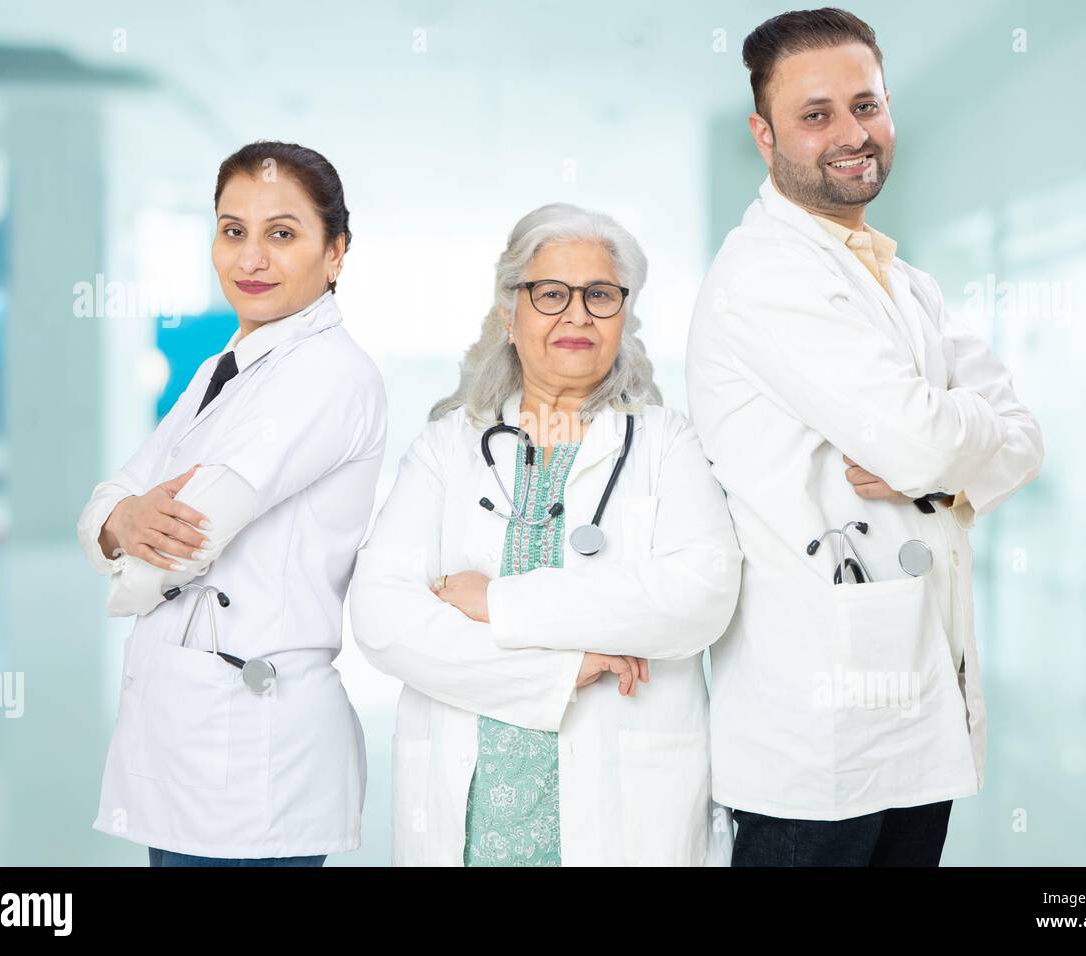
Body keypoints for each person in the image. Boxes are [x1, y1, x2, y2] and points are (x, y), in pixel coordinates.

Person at [686, 8, 1044, 866]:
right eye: (816, 115)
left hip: (922, 719)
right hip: (814, 738)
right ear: (764, 135)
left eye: (867, 105)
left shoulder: (903, 279)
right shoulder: (766, 272)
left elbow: (1024, 438)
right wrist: (943, 450)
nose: (852, 134)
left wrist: (938, 459)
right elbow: (922, 443)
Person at [350, 202, 741, 866]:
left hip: (627, 809)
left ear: (624, 315)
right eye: (551, 293)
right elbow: (382, 614)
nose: (578, 315)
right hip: (474, 815)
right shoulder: (448, 447)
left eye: (600, 295)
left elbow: (700, 596)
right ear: (511, 314)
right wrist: (562, 669)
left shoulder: (665, 443)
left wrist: (499, 605)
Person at [76, 141, 387, 866]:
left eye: (282, 234)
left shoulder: (329, 374)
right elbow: (106, 504)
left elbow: (178, 545)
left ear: (336, 253)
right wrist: (121, 519)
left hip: (254, 756)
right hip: (190, 754)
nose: (250, 258)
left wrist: (124, 543)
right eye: (232, 230)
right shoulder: (224, 367)